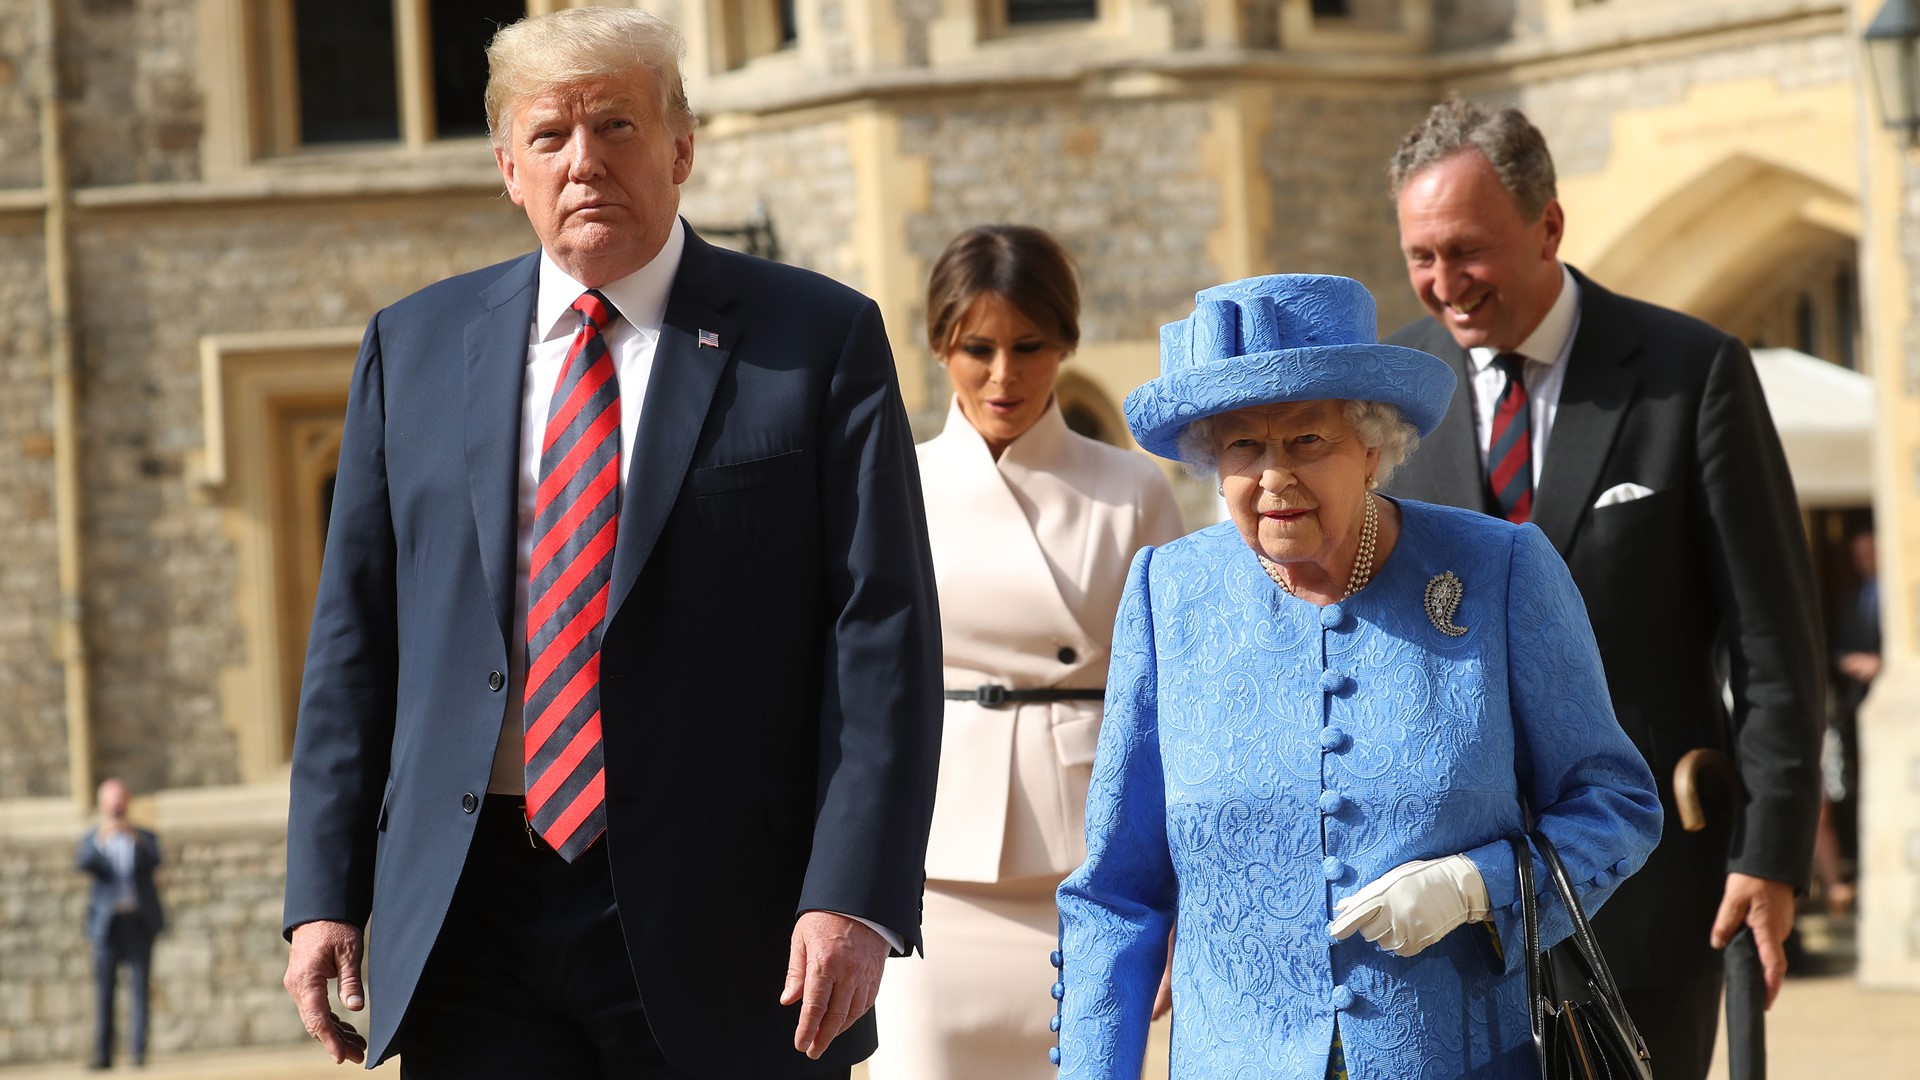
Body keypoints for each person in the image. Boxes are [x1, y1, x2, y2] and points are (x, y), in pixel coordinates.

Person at [278, 9, 943, 1079]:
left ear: (681, 148)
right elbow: (355, 638)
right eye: (549, 137)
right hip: (467, 912)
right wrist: (322, 893)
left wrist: (852, 894)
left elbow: (881, 639)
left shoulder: (815, 341)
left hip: (731, 919)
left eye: (617, 126)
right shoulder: (412, 347)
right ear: (508, 167)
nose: (583, 161)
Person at [1051, 273, 1662, 1078]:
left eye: (1308, 440)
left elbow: (1615, 805)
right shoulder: (1169, 593)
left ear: (1373, 449)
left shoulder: (1499, 569)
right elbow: (1116, 894)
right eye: (1244, 446)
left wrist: (1478, 887)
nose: (1274, 476)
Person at [1382, 97, 1824, 1079]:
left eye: (1469, 251)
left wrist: (1771, 853)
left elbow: (1775, 646)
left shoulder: (1691, 373)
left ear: (1548, 225)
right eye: (1423, 256)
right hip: (1444, 905)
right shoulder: (1393, 389)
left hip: (1652, 894)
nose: (1445, 285)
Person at [866, 226, 1184, 1079]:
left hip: (1093, 870)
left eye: (1028, 346)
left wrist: (1180, 885)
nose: (1002, 375)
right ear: (940, 345)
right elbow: (856, 683)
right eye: (977, 348)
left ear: (1067, 344)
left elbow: (1179, 705)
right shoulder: (893, 481)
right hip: (927, 873)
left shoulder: (1133, 489)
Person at [76, 777, 165, 1071]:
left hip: (138, 922)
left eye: (120, 800)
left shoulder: (143, 836)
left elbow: (155, 860)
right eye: (111, 801)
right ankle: (103, 1055)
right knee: (104, 991)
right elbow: (83, 863)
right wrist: (103, 838)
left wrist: (133, 837)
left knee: (140, 987)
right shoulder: (93, 838)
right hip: (107, 924)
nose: (116, 807)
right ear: (102, 804)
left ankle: (138, 1052)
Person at [1816, 528, 1878, 915]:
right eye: (1857, 554)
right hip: (1852, 709)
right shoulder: (1850, 599)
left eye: (1868, 552)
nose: (1862, 560)